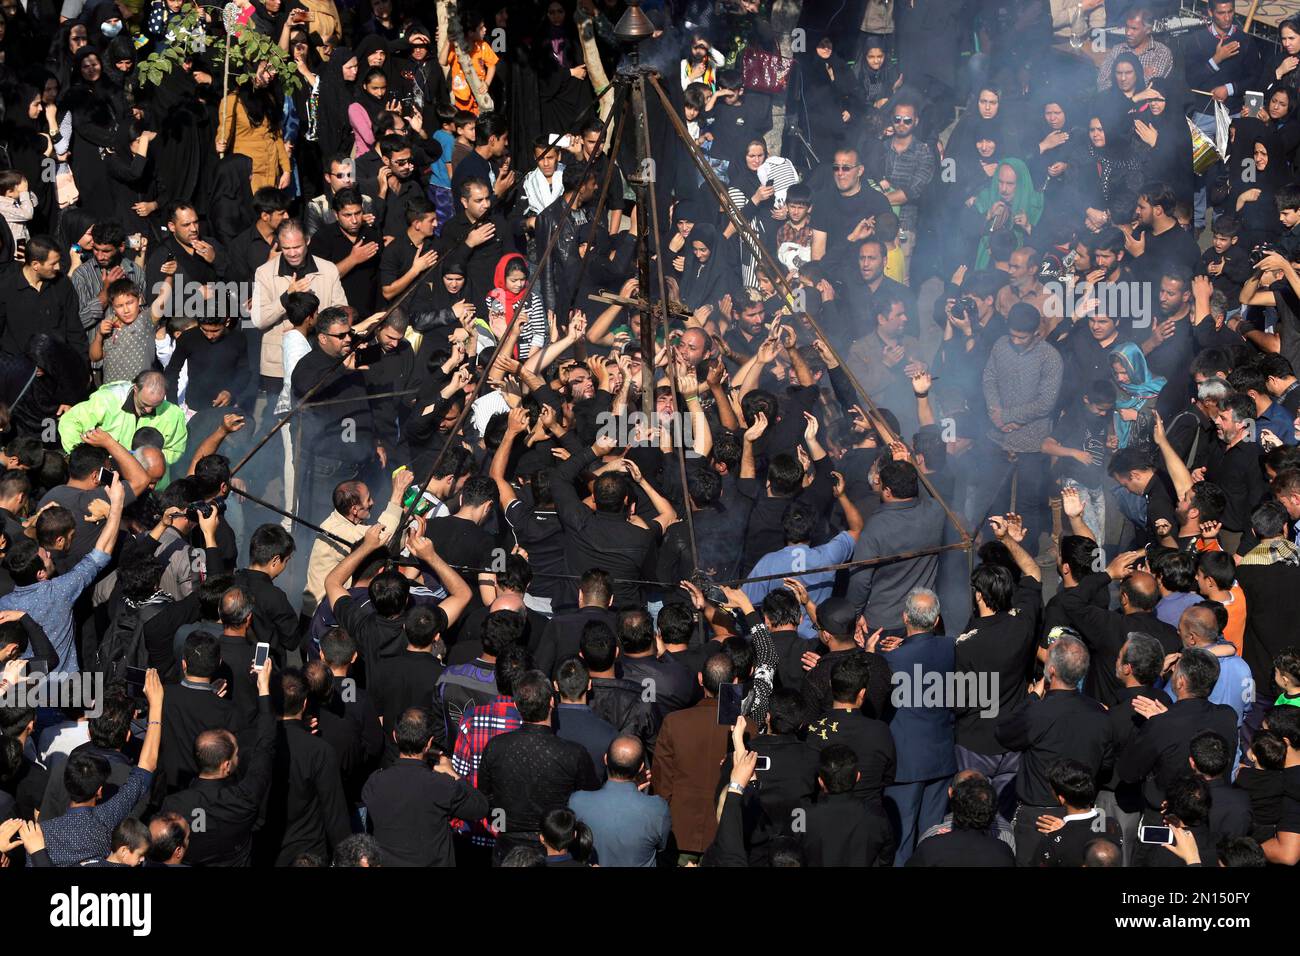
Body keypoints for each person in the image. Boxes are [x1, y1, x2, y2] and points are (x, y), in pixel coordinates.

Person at [476, 669, 599, 863]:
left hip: (511, 846)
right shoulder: (573, 753)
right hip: (555, 845)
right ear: (552, 702)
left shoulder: (496, 747)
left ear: (516, 706)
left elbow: (484, 794)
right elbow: (590, 799)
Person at [568, 735, 671, 868]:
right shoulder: (658, 808)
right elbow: (661, 846)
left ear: (605, 759)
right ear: (641, 767)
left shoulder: (577, 801)